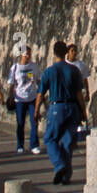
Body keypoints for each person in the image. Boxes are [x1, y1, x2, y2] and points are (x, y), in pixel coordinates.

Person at [35, 40, 87, 184]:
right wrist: (83, 111)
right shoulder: (74, 70)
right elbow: (79, 94)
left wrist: (36, 110)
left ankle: (59, 166)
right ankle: (66, 176)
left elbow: (40, 94)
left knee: (50, 139)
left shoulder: (50, 71)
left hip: (57, 106)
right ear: (66, 53)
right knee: (67, 142)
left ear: (54, 53)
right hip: (73, 107)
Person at [7, 49, 40, 154]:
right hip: (19, 98)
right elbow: (11, 84)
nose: (28, 56)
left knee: (34, 121)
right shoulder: (15, 67)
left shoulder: (34, 66)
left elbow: (38, 80)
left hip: (32, 97)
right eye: (26, 53)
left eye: (29, 53)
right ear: (21, 54)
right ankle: (20, 145)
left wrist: (41, 93)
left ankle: (34, 145)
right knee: (20, 123)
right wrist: (11, 96)